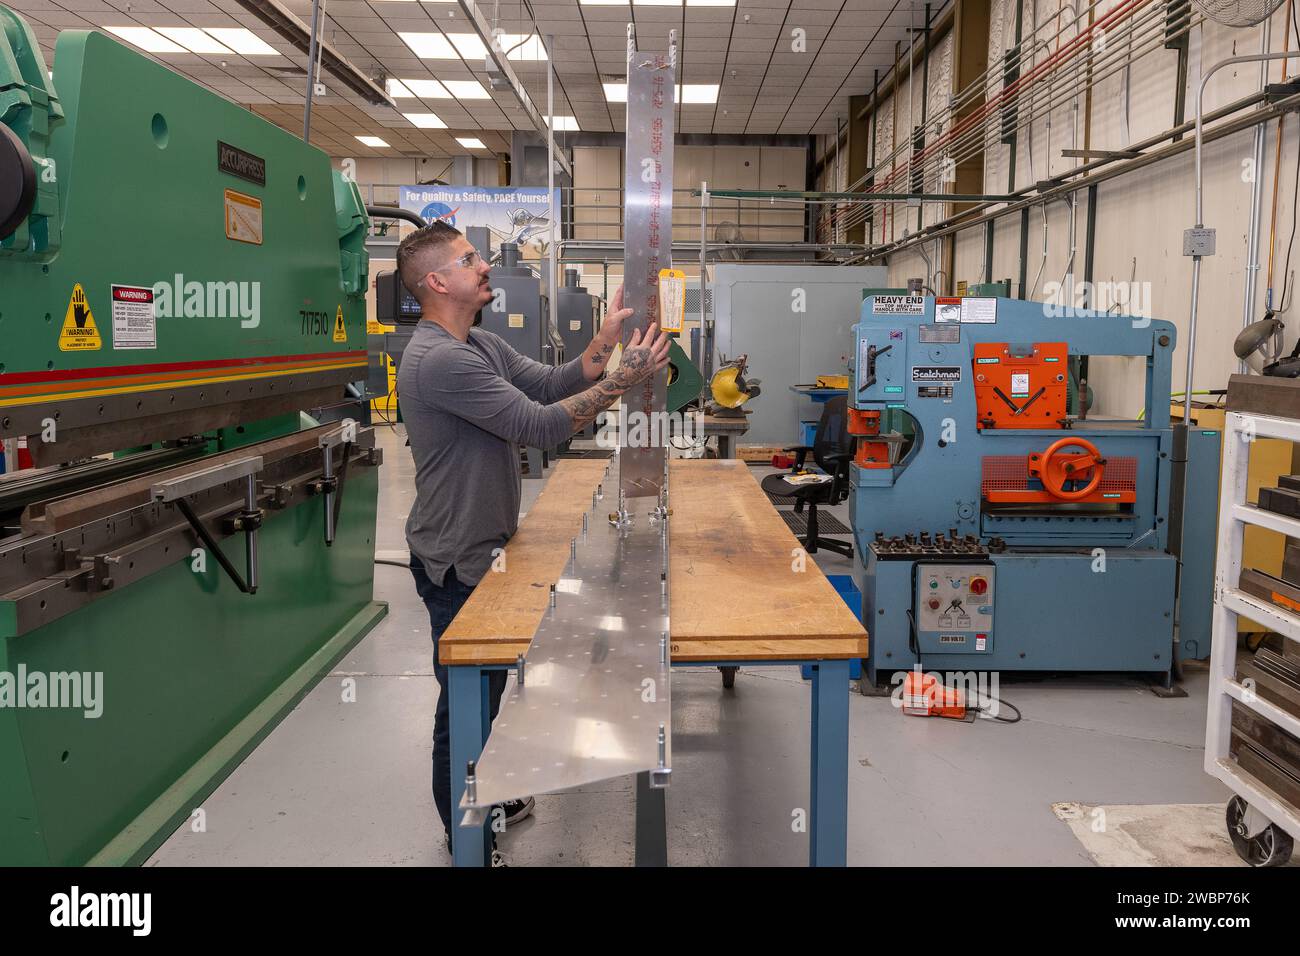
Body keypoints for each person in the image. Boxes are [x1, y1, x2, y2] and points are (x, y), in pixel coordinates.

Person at [394, 221, 671, 861]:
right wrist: (623, 380)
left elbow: (549, 383)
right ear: (438, 282)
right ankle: (465, 837)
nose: (484, 264)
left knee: (490, 688)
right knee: (462, 702)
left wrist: (599, 350)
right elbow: (541, 426)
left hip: (486, 543)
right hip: (455, 556)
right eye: (469, 259)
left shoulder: (480, 344)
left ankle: (490, 796)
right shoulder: (440, 361)